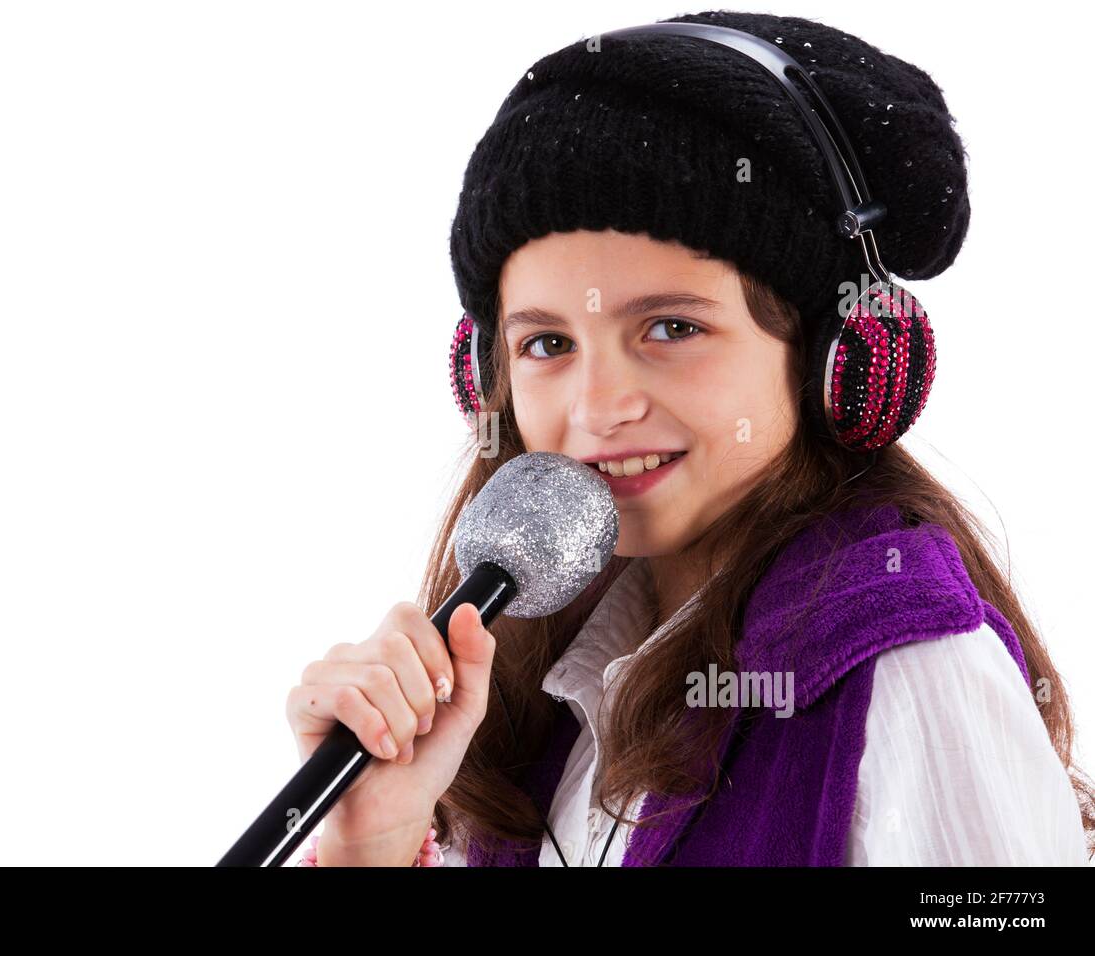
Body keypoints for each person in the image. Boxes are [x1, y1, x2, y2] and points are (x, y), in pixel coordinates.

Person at [285, 10, 1094, 866]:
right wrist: (371, 843)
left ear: (842, 362)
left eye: (670, 328)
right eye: (548, 344)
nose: (598, 408)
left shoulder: (906, 673)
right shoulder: (547, 676)